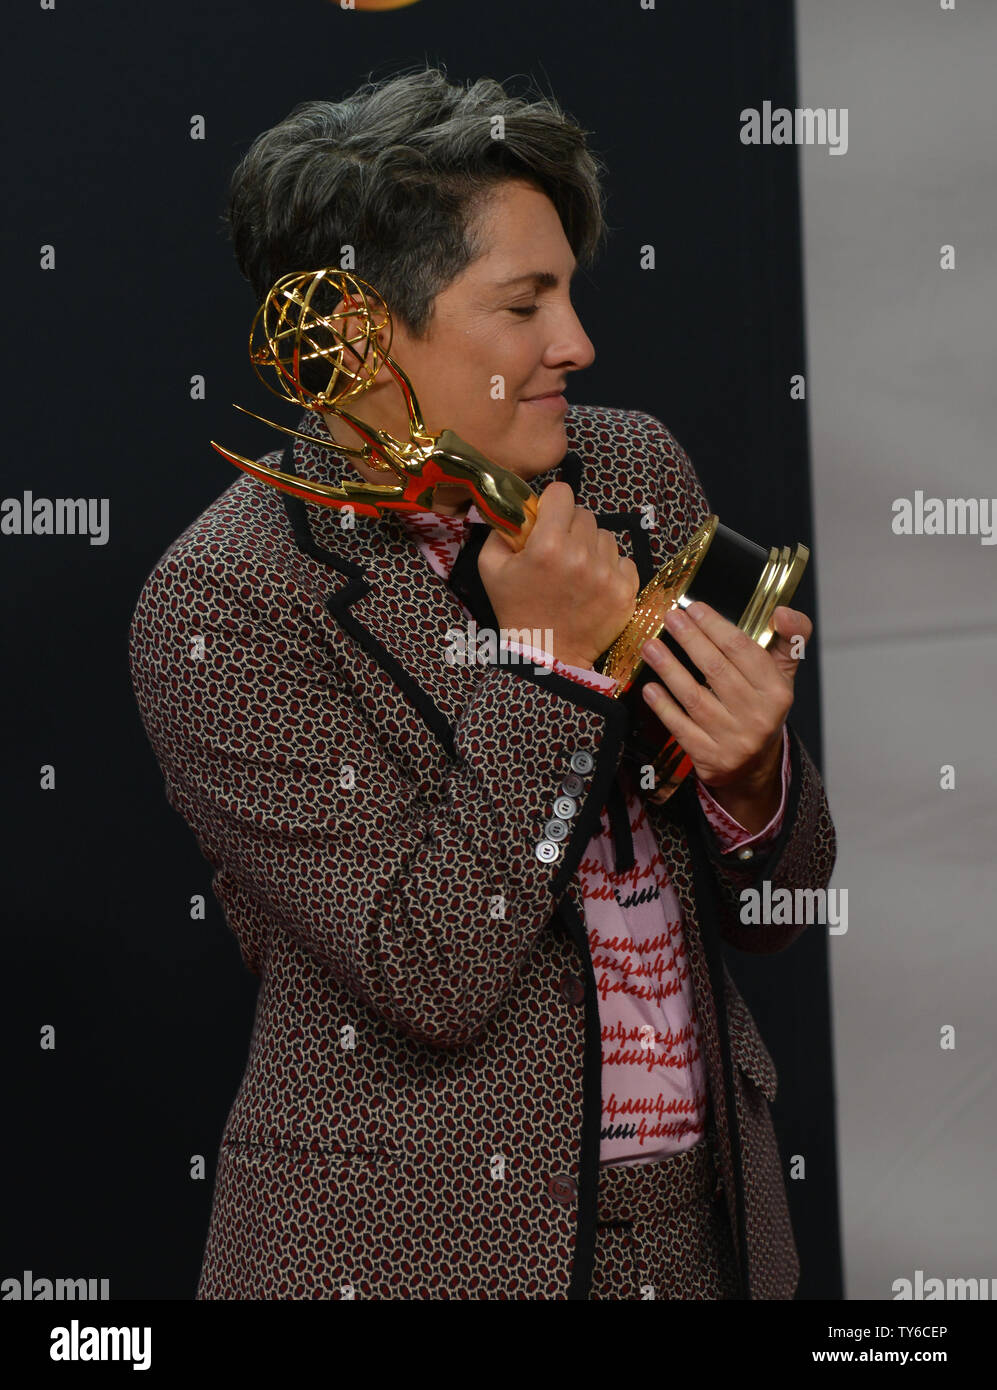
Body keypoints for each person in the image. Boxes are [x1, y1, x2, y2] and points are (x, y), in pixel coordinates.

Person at [128, 66, 836, 1300]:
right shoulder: (219, 604)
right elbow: (428, 970)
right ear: (355, 334)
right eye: (526, 304)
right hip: (412, 1252)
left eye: (569, 291)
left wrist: (756, 778)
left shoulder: (632, 465)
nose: (577, 342)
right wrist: (547, 664)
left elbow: (786, 912)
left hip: (704, 1237)